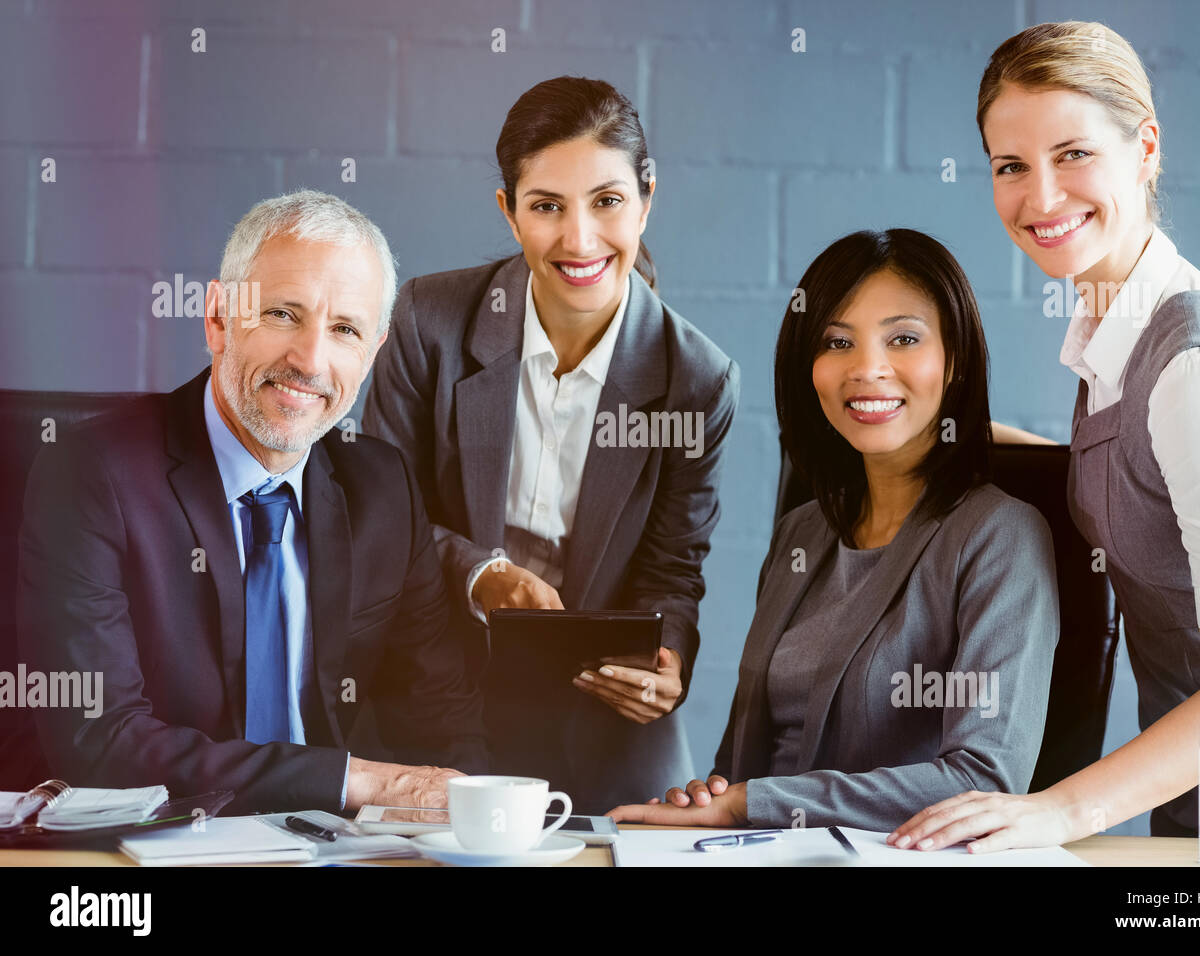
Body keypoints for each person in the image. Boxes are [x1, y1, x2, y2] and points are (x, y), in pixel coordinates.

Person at [891, 20, 1200, 852]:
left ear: (1145, 148)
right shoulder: (1114, 331)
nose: (1039, 197)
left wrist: (1057, 811)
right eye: (1011, 166)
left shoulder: (1198, 372)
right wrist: (923, 431)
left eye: (1073, 154)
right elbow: (1136, 483)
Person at [17, 190, 488, 815]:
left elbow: (442, 721)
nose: (310, 360)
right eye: (283, 315)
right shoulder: (92, 473)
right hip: (146, 849)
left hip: (331, 851)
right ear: (217, 318)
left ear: (372, 353)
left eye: (344, 329)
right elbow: (99, 741)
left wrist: (487, 816)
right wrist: (360, 783)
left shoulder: (382, 488)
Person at [361, 76, 739, 813]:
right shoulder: (427, 322)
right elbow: (378, 517)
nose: (579, 240)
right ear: (509, 214)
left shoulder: (698, 380)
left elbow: (673, 570)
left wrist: (670, 660)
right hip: (431, 695)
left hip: (602, 725)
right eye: (546, 207)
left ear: (646, 200)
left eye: (607, 201)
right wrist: (480, 576)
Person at [608, 229, 1059, 830]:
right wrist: (713, 797)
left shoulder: (999, 537)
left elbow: (982, 779)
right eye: (837, 341)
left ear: (953, 361)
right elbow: (745, 762)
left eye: (903, 338)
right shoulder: (804, 532)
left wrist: (752, 803)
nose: (867, 368)